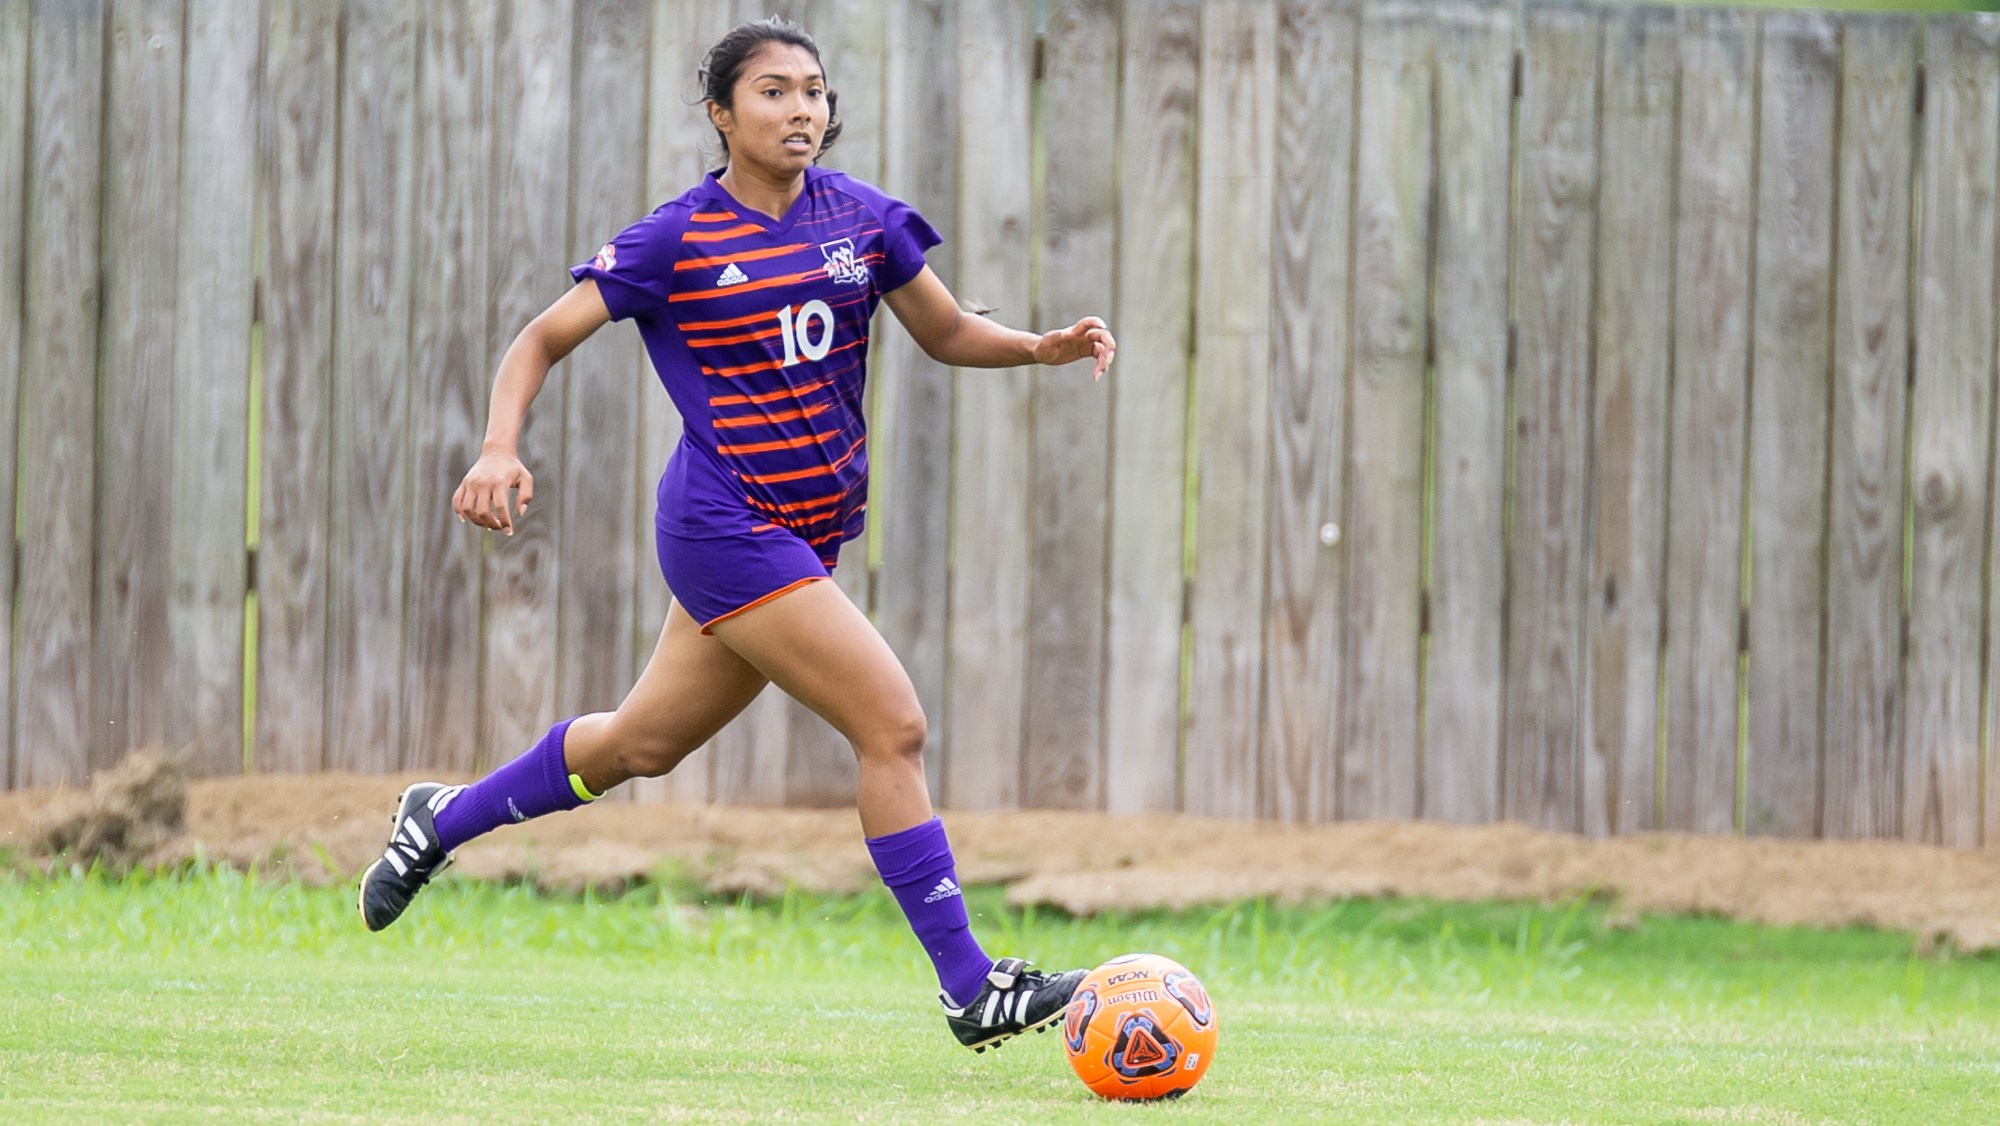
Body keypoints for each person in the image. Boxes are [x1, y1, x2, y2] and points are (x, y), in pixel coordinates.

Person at [357, 17, 1116, 1054]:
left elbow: (941, 331)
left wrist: (1037, 345)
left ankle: (438, 820)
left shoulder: (864, 220)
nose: (801, 108)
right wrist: (498, 446)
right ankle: (969, 985)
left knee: (639, 743)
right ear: (721, 115)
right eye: (772, 92)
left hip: (800, 533)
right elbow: (540, 336)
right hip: (723, 526)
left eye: (812, 91)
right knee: (890, 724)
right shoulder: (676, 237)